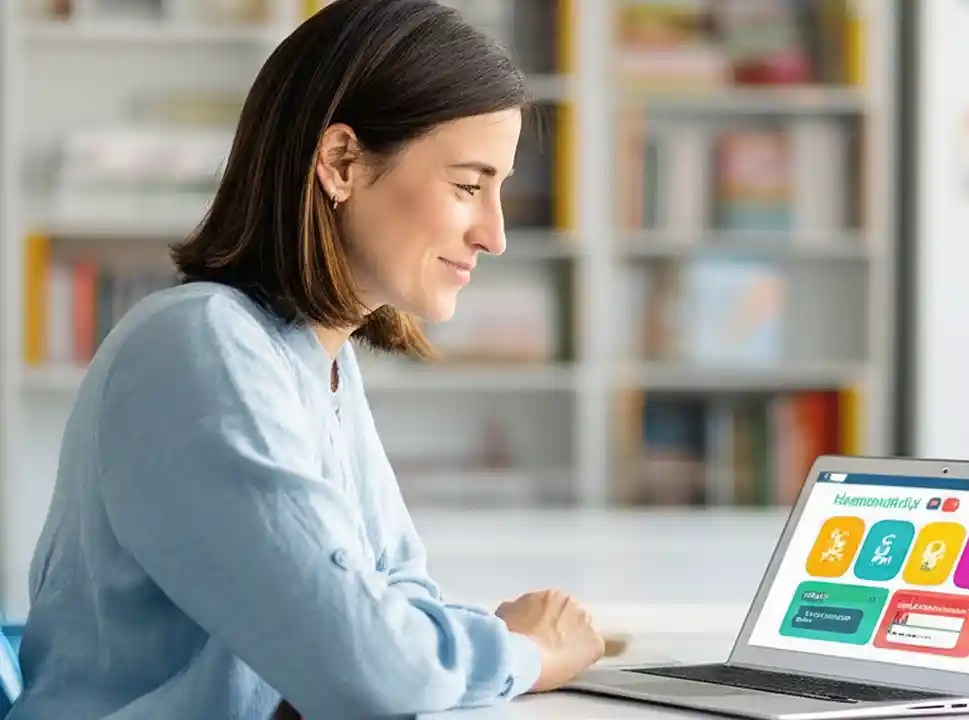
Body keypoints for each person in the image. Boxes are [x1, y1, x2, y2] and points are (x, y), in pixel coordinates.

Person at [8, 1, 605, 718]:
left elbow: (397, 599)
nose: (494, 234)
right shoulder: (200, 347)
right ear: (341, 162)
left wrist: (441, 648)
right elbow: (372, 665)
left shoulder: (318, 358)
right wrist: (525, 652)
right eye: (468, 185)